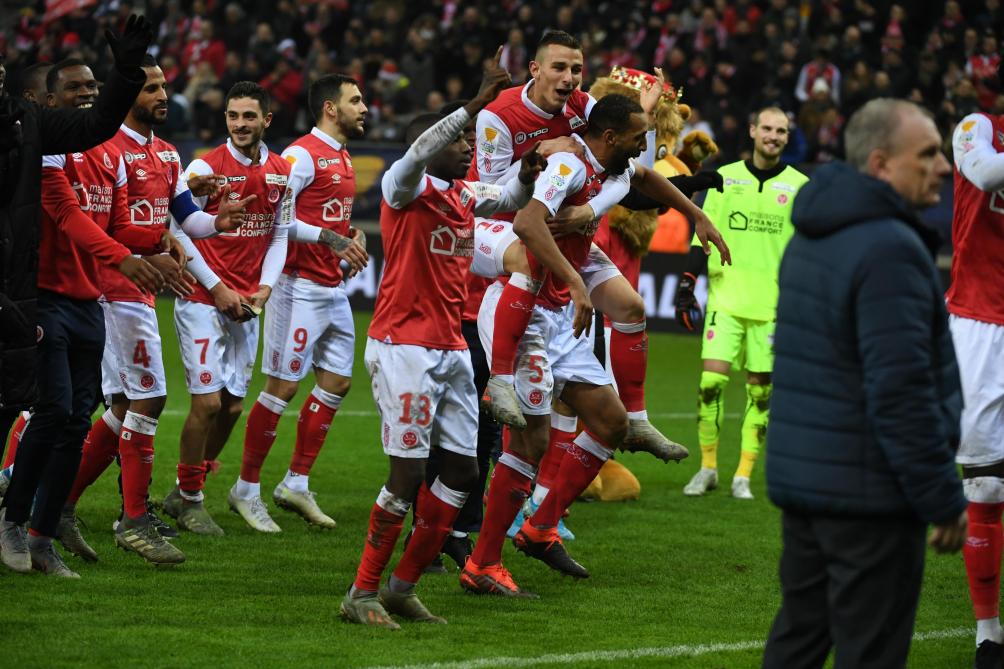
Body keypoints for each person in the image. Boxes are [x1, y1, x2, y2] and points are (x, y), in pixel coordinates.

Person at [463, 93, 729, 596]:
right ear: (610, 137)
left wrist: (697, 214)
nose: (642, 145)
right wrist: (577, 282)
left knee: (610, 422)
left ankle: (541, 527)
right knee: (532, 442)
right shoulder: (566, 163)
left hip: (562, 312)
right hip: (525, 313)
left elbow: (642, 178)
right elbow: (527, 223)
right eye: (636, 137)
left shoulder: (612, 168)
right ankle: (482, 562)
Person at [340, 48, 545, 629]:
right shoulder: (403, 188)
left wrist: (527, 176)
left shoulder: (461, 197)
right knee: (405, 474)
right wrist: (474, 105)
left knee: (461, 470)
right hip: (402, 345)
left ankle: (403, 586)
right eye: (462, 144)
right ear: (438, 146)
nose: (468, 150)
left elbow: (507, 199)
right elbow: (418, 152)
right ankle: (361, 592)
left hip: (452, 348)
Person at [762, 98, 968, 669]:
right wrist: (942, 497)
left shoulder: (812, 232)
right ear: (880, 164)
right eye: (927, 153)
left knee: (799, 639)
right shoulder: (890, 248)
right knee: (871, 652)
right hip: (869, 494)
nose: (945, 167)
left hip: (807, 481)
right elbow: (900, 393)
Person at [54, 55, 251, 565]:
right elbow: (113, 228)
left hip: (139, 290)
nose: (163, 96)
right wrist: (155, 241)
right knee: (147, 399)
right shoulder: (104, 150)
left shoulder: (166, 154)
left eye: (164, 86)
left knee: (123, 409)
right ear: (125, 96)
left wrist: (218, 220)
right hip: (112, 289)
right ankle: (132, 519)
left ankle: (60, 505)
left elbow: (188, 221)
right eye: (150, 89)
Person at [0, 57, 188, 578]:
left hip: (91, 299)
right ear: (48, 100)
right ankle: (14, 518)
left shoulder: (106, 157)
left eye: (93, 86)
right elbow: (67, 215)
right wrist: (130, 258)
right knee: (52, 411)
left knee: (75, 419)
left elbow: (119, 221)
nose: (88, 94)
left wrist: (158, 239)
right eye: (76, 87)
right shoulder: (43, 154)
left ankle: (42, 534)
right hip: (45, 299)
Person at [0, 15, 153, 460]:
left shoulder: (27, 124)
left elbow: (95, 128)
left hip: (17, 293)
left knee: (31, 407)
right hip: (42, 293)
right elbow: (66, 214)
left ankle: (26, 522)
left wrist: (125, 74)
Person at [234, 73, 368, 531]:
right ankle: (246, 490)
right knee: (282, 388)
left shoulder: (342, 156)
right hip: (296, 286)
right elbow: (275, 218)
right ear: (330, 108)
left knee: (336, 383)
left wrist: (351, 237)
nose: (363, 107)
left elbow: (326, 217)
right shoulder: (299, 155)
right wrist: (331, 237)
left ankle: (296, 482)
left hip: (332, 288)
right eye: (355, 100)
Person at [162, 81, 292, 536]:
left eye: (249, 116)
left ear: (266, 121)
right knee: (208, 402)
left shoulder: (281, 172)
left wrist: (265, 289)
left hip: (247, 303)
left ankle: (182, 489)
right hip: (202, 298)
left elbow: (279, 234)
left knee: (234, 408)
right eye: (234, 116)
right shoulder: (204, 168)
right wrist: (217, 288)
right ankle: (193, 499)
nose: (240, 124)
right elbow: (179, 231)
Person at [677, 107, 808, 501]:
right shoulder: (723, 178)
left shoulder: (801, 186)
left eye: (780, 131)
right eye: (766, 128)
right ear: (752, 130)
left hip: (772, 308)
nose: (773, 136)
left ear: (787, 137)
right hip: (726, 297)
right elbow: (702, 234)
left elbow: (806, 249)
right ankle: (708, 468)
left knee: (761, 394)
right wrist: (687, 284)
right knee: (710, 384)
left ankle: (744, 475)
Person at [949, 94, 1004, 667]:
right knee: (985, 486)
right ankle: (988, 630)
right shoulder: (977, 125)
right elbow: (986, 172)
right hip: (981, 324)